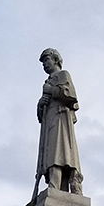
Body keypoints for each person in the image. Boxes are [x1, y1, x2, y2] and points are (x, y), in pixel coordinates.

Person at [36, 48, 83, 195]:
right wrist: (40, 104)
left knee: (59, 152)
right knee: (51, 151)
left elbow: (70, 95)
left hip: (61, 119)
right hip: (49, 120)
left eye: (46, 60)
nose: (44, 65)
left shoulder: (63, 75)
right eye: (43, 62)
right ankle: (57, 186)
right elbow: (40, 116)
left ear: (56, 59)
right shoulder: (48, 82)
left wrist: (50, 90)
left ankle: (55, 184)